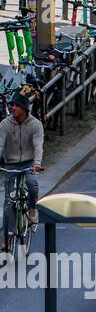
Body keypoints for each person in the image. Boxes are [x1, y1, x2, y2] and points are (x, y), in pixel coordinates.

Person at [0, 92, 43, 253]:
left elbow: (38, 145)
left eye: (17, 106)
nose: (13, 108)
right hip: (10, 165)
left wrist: (37, 163)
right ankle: (7, 239)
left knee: (32, 185)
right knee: (8, 203)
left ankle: (32, 209)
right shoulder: (5, 124)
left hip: (29, 163)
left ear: (25, 108)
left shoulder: (35, 124)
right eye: (12, 105)